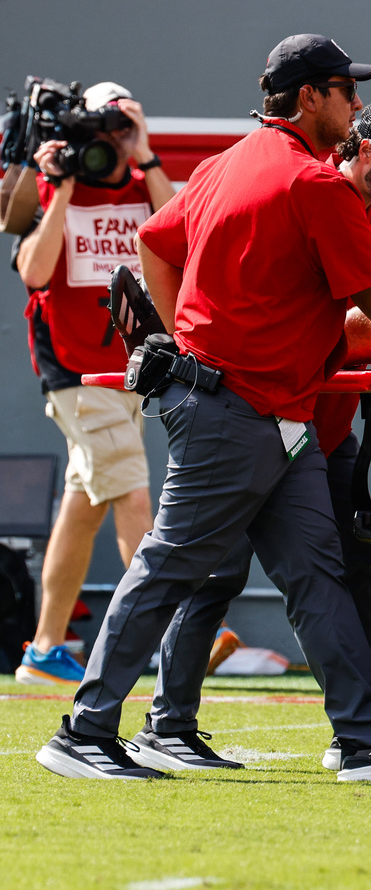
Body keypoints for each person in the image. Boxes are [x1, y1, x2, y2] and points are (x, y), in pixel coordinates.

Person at [35, 34, 371, 782]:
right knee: (171, 567)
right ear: (310, 97)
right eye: (346, 89)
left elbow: (153, 241)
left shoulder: (223, 165)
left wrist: (182, 337)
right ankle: (85, 729)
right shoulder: (316, 184)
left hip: (270, 414)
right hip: (237, 408)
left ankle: (365, 739)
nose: (357, 103)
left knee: (315, 572)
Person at [139, 98, 371, 772]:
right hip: (249, 414)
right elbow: (357, 317)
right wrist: (193, 356)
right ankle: (156, 724)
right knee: (210, 572)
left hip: (318, 427)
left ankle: (363, 731)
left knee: (342, 571)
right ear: (362, 147)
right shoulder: (299, 190)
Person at [12, 82, 171, 686]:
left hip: (125, 370)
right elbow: (33, 271)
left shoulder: (141, 183)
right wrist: (65, 186)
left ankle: (45, 649)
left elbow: (183, 240)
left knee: (83, 508)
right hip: (75, 373)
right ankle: (159, 638)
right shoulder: (59, 183)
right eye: (96, 134)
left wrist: (145, 152)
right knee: (133, 494)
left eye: (116, 129)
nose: (104, 144)